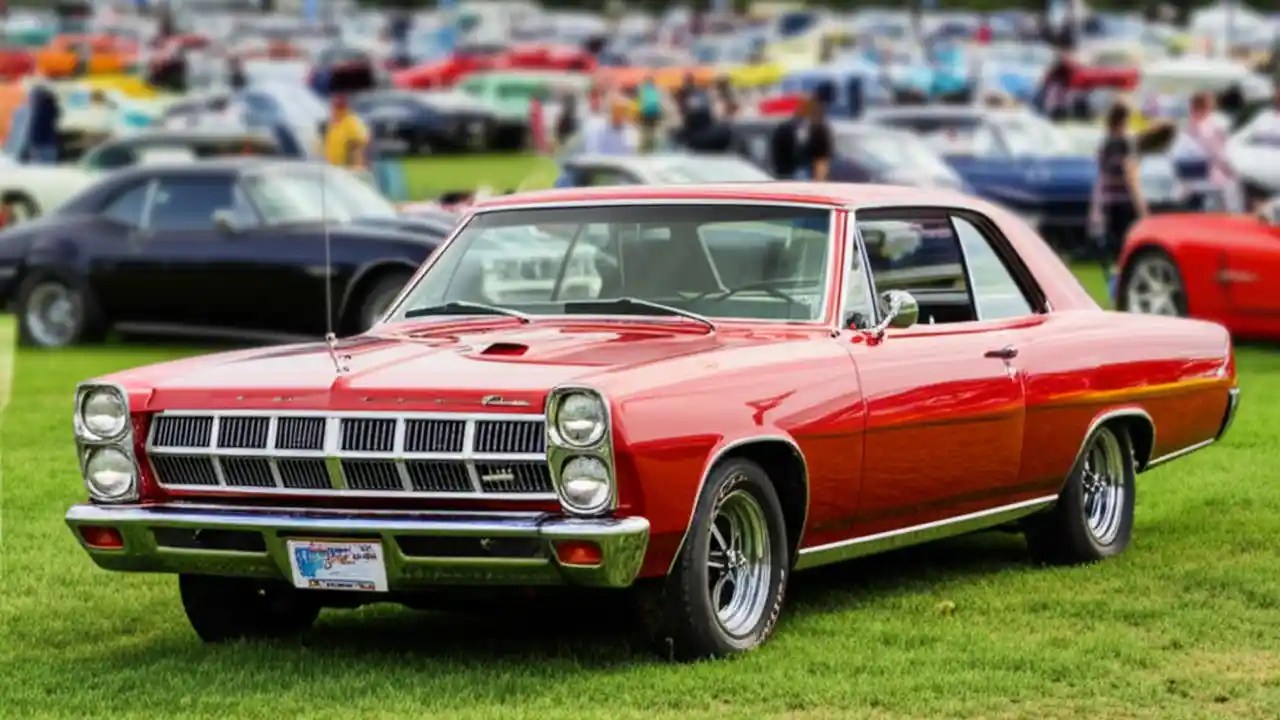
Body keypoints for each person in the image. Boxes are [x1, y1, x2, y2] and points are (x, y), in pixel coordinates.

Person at [1091, 100, 1147, 295]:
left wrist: (1095, 209)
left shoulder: (1104, 143)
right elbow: (1131, 175)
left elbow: (1100, 176)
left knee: (1113, 249)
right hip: (1125, 201)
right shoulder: (1126, 143)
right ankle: (1124, 288)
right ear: (1125, 119)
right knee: (1129, 247)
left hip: (1108, 201)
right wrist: (1142, 207)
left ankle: (1115, 289)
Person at [1170, 92, 1241, 212]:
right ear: (1209, 107)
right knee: (1232, 186)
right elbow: (1220, 154)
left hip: (1186, 179)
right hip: (1210, 178)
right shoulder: (1215, 125)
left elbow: (1174, 154)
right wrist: (1232, 169)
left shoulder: (1183, 126)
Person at [768, 94, 832, 181]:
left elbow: (822, 159)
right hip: (787, 175)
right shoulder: (784, 129)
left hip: (809, 174)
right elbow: (778, 156)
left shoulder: (820, 131)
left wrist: (819, 181)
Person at [322, 94, 369, 170]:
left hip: (347, 170)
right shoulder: (333, 125)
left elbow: (358, 143)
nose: (335, 110)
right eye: (335, 106)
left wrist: (352, 167)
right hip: (334, 169)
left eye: (339, 107)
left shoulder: (351, 121)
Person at [1036, 46, 1077, 121]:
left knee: (1058, 100)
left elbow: (1070, 72)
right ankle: (1053, 114)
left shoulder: (1065, 64)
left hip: (1061, 85)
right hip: (1058, 85)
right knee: (1055, 100)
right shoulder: (1059, 65)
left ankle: (1056, 114)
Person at [27, 73, 61, 164]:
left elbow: (35, 128)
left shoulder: (39, 107)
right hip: (48, 143)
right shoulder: (50, 105)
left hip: (40, 144)